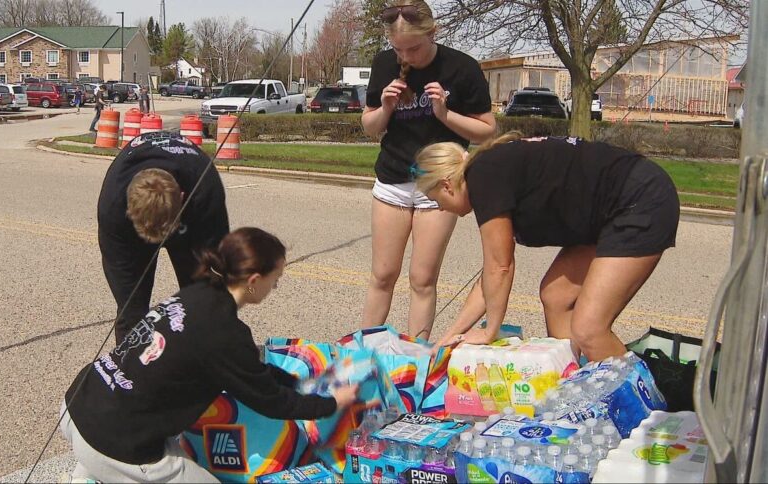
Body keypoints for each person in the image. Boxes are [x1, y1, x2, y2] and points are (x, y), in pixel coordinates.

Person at [61, 227, 360, 483]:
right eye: (276, 278)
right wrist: (333, 403)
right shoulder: (225, 332)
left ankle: (89, 473)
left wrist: (300, 383)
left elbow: (252, 372)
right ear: (254, 281)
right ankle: (102, 470)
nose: (276, 286)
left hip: (78, 405)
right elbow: (272, 401)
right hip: (114, 443)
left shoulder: (197, 294)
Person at [415, 134, 680, 361]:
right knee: (557, 295)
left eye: (434, 199)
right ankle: (574, 387)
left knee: (589, 327)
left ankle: (637, 408)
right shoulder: (487, 171)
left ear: (446, 185)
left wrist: (489, 331)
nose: (439, 207)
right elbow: (490, 277)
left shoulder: (483, 177)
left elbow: (501, 267)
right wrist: (447, 340)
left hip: (639, 200)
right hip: (613, 208)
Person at [360, 0, 496, 341]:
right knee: (382, 275)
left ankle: (416, 355)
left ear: (433, 33)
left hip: (439, 185)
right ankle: (362, 353)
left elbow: (487, 130)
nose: (406, 57)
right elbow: (369, 127)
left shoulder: (462, 68)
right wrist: (387, 107)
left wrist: (445, 114)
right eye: (398, 49)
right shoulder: (383, 64)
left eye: (414, 48)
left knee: (422, 279)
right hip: (392, 179)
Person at [98, 131, 229, 344]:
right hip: (134, 230)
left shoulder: (205, 189)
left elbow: (218, 262)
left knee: (204, 304)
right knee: (130, 314)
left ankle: (203, 362)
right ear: (128, 208)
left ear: (182, 197)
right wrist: (133, 320)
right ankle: (131, 370)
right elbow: (120, 273)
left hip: (192, 224)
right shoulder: (113, 204)